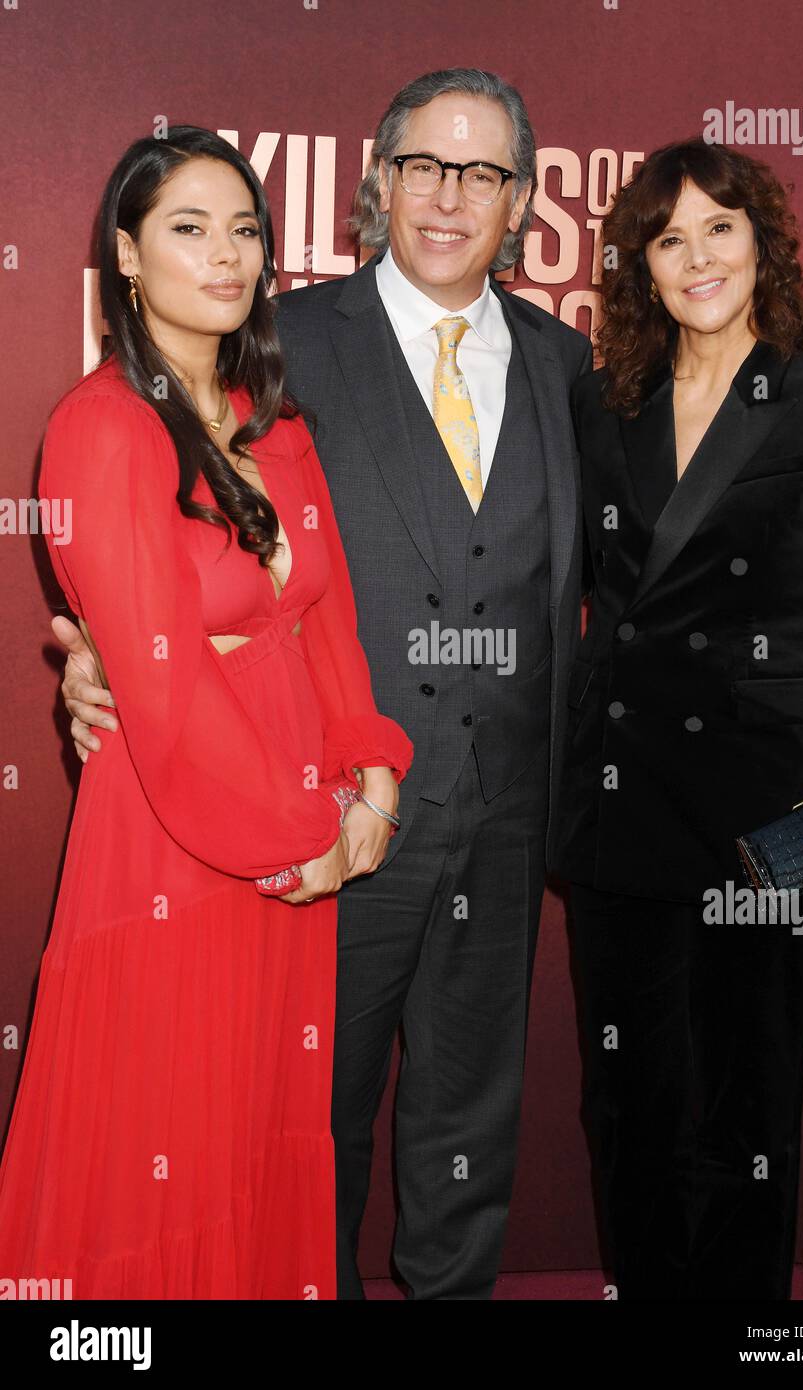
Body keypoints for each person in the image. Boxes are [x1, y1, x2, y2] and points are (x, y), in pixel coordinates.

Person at [54, 70, 592, 1300]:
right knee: (300, 1127)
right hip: (329, 816)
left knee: (468, 1134)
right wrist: (105, 658)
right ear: (379, 183)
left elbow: (624, 582)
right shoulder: (281, 341)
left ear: (523, 201)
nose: (452, 198)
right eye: (425, 167)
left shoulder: (568, 363)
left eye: (485, 174)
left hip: (500, 815)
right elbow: (179, 550)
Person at [0, 127, 412, 1299]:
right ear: (126, 255)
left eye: (245, 230)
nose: (226, 256)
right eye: (189, 227)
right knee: (156, 1155)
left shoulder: (275, 423)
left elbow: (327, 631)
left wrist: (372, 778)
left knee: (252, 1142)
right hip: (184, 843)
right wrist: (310, 835)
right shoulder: (99, 429)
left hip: (301, 845)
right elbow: (166, 685)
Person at [552, 137, 803, 1299]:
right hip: (625, 801)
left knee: (749, 1103)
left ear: (762, 240)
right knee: (630, 1098)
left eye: (721, 226)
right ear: (641, 269)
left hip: (781, 807)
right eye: (670, 238)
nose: (698, 255)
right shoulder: (609, 406)